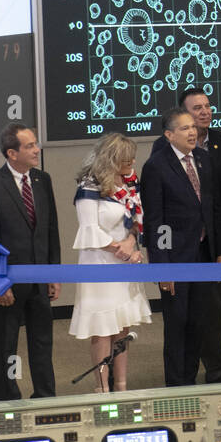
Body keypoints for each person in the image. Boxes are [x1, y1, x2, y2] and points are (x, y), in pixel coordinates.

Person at [151, 88, 221, 383]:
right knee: (178, 325)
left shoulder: (203, 160)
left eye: (193, 127)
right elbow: (156, 221)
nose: (192, 132)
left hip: (206, 255)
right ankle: (178, 385)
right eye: (185, 127)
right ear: (169, 135)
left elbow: (215, 209)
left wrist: (220, 251)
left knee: (202, 323)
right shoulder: (157, 165)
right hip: (176, 258)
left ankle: (194, 378)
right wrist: (163, 265)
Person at [0, 123, 61, 400]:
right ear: (12, 153)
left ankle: (45, 396)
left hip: (39, 279)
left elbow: (51, 230)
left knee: (42, 342)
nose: (37, 149)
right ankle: (6, 399)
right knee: (5, 345)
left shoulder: (42, 180)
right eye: (30, 146)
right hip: (8, 284)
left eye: (36, 144)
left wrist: (53, 273)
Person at [69, 134, 151, 392]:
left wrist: (130, 244)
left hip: (124, 262)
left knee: (122, 325)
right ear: (112, 159)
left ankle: (122, 385)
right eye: (127, 159)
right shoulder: (89, 185)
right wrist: (121, 250)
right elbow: (89, 229)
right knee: (103, 329)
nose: (133, 162)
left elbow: (136, 219)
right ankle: (102, 387)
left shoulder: (129, 180)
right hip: (99, 263)